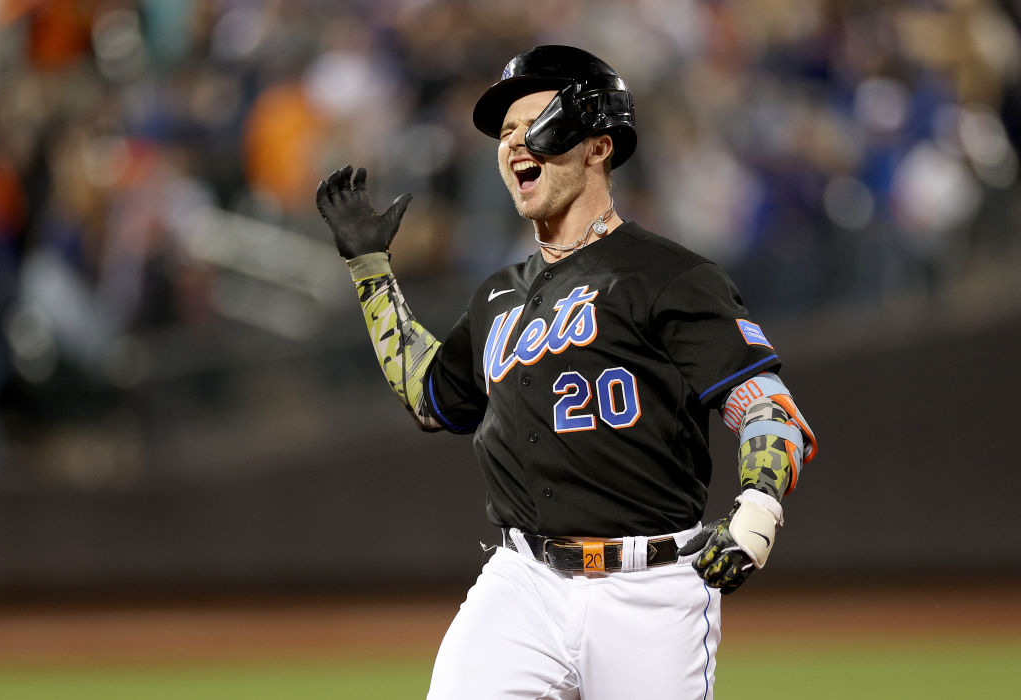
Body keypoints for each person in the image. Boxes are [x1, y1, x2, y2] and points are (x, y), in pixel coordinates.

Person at [315, 45, 817, 700]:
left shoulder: (670, 276)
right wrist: (371, 272)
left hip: (651, 587)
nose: (513, 143)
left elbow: (768, 407)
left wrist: (758, 505)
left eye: (534, 125)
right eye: (505, 132)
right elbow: (430, 396)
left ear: (598, 145)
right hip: (523, 579)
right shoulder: (498, 295)